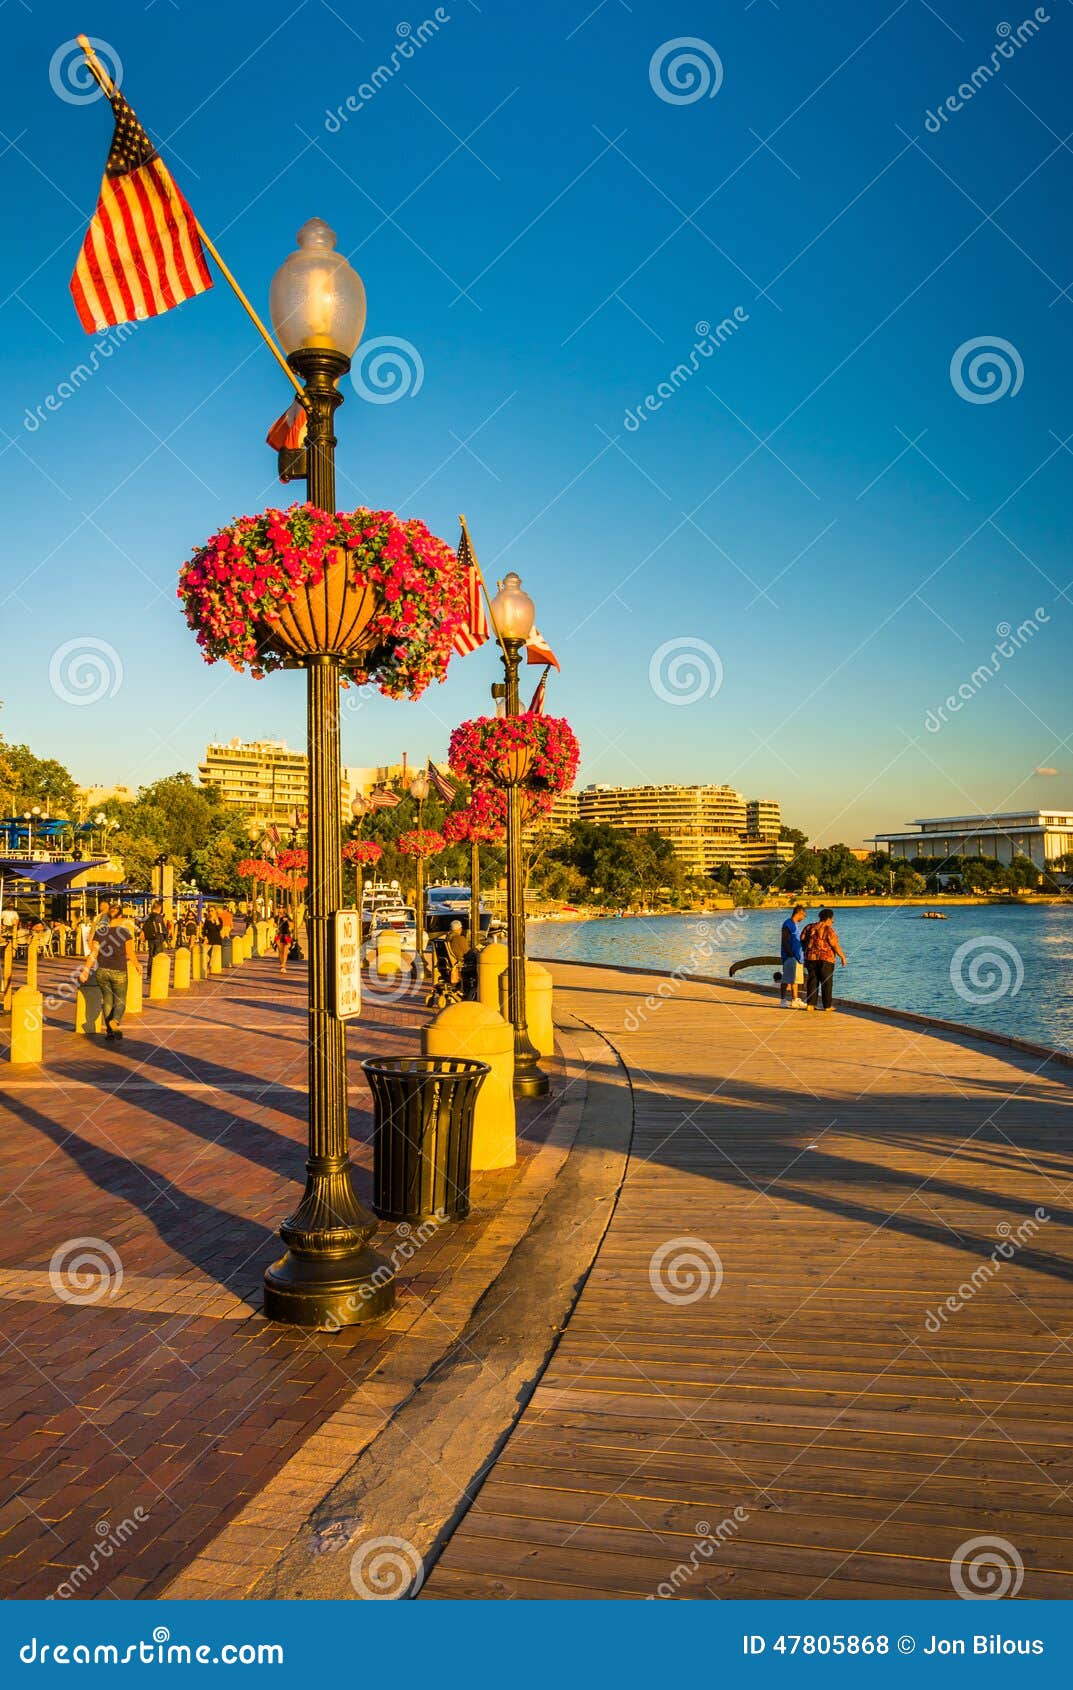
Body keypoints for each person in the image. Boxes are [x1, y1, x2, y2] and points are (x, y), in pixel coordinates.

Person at [81, 904, 136, 1041]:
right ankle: (115, 1021)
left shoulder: (100, 932)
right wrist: (137, 964)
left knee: (107, 1000)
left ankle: (110, 1032)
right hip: (119, 970)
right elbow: (130, 953)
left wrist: (86, 971)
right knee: (120, 1000)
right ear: (121, 917)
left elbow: (93, 953)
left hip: (102, 971)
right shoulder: (124, 932)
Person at [802, 906, 847, 1012]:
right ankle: (827, 1006)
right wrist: (843, 957)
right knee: (826, 982)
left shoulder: (809, 927)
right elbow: (834, 945)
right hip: (826, 959)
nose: (833, 921)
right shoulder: (828, 929)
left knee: (812, 980)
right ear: (828, 918)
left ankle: (810, 1005)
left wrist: (808, 949)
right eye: (832, 919)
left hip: (810, 958)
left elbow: (802, 939)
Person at [779, 903, 807, 1009]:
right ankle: (782, 999)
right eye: (804, 915)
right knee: (786, 979)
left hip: (797, 957)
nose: (804, 918)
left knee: (795, 979)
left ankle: (795, 999)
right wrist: (790, 954)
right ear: (799, 913)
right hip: (790, 956)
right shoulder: (788, 924)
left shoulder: (796, 925)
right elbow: (784, 940)